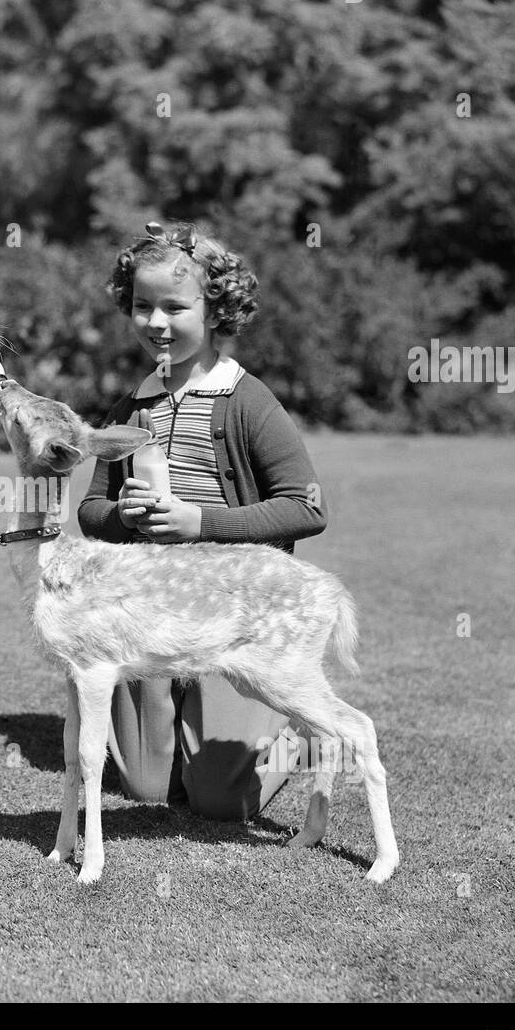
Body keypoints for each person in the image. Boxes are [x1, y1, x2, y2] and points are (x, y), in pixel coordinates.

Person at [78, 220, 328, 820]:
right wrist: (122, 515)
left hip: (234, 612)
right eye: (142, 306)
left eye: (174, 306)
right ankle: (184, 738)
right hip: (154, 611)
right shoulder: (132, 403)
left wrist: (202, 523)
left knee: (218, 800)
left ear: (215, 309)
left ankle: (292, 727)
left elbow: (307, 506)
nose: (155, 322)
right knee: (147, 791)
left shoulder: (246, 400)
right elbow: (90, 512)